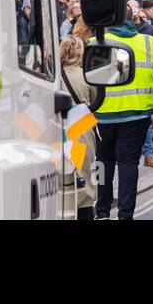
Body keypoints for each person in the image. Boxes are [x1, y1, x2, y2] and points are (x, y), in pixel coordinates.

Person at [93, 13, 153, 220]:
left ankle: (101, 210)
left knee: (102, 162)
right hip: (135, 115)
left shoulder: (95, 42)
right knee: (128, 163)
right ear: (133, 20)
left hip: (102, 115)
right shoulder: (147, 42)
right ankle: (125, 214)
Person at [58, 36, 98, 220]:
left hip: (58, 128)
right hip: (81, 128)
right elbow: (97, 99)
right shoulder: (86, 76)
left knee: (61, 179)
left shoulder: (54, 75)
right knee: (84, 182)